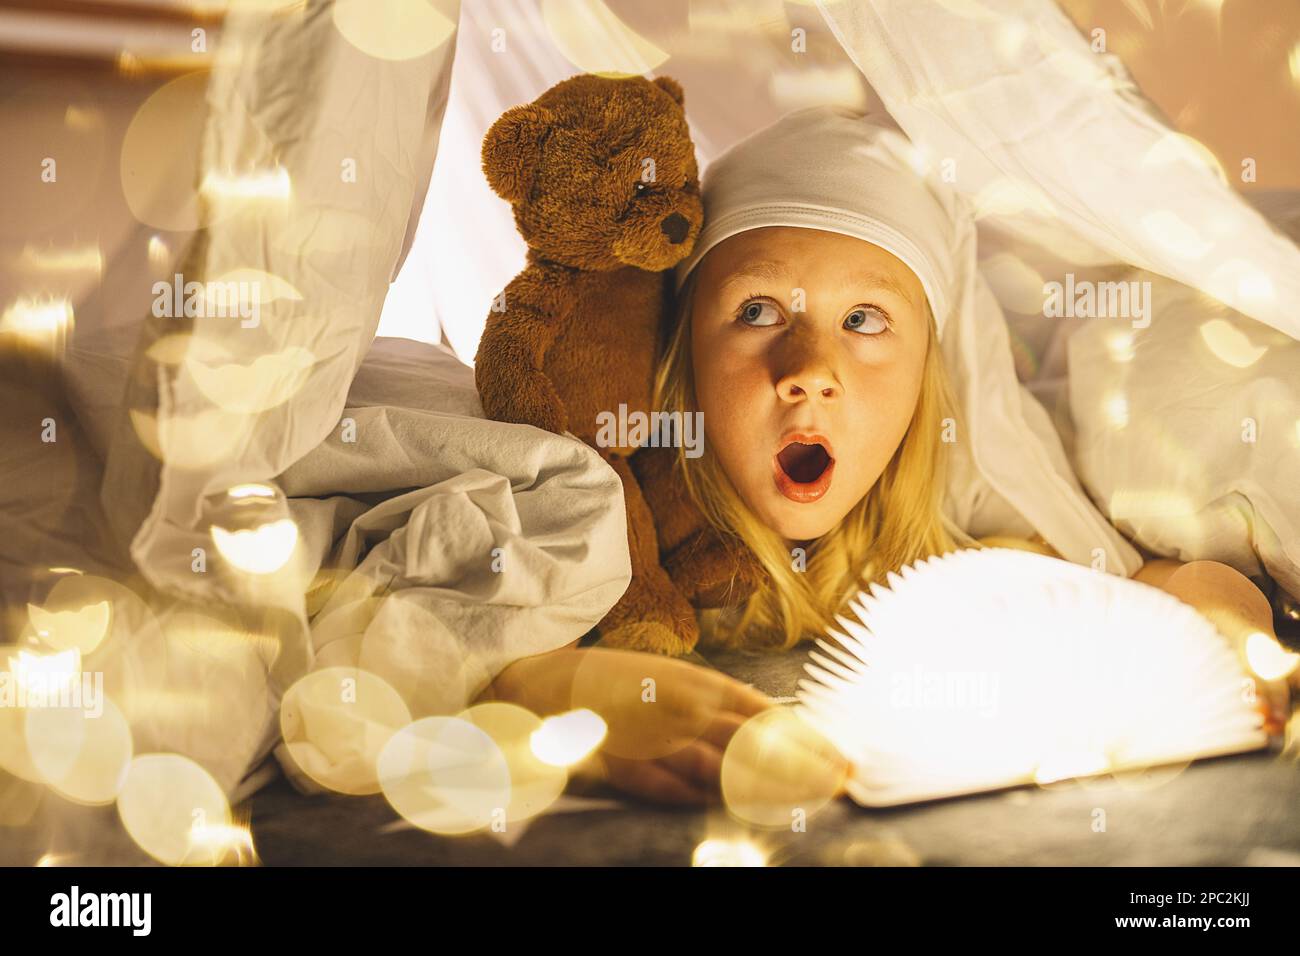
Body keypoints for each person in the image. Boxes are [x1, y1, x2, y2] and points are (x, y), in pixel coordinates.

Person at [480, 107, 1289, 806]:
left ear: (926, 381)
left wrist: (1236, 631)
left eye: (865, 321)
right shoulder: (621, 502)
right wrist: (562, 689)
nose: (808, 374)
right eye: (758, 310)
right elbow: (469, 624)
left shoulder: (964, 510)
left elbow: (1155, 582)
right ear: (685, 352)